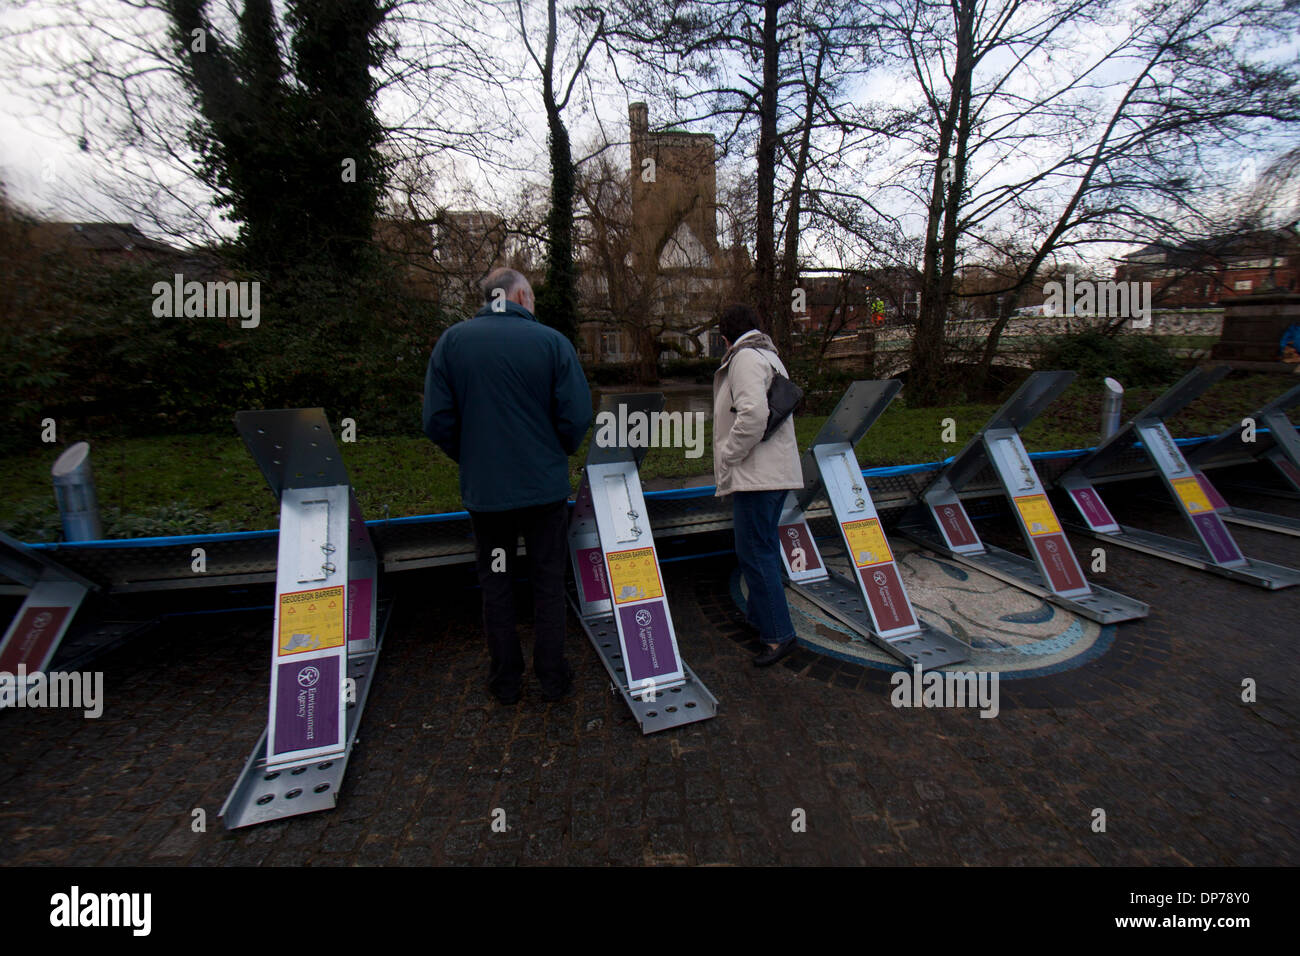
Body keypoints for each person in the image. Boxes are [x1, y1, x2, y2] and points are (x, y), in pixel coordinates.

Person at [423, 268, 592, 704]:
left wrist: (476, 457)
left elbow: (436, 421)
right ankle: (553, 678)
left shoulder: (452, 343)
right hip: (543, 494)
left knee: (496, 582)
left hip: (489, 498)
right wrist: (555, 452)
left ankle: (505, 681)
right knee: (548, 581)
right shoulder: (552, 343)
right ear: (520, 295)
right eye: (532, 297)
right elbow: (575, 417)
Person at [712, 303, 804, 666]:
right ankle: (759, 618)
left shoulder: (745, 359)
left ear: (724, 338)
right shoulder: (769, 356)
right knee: (760, 548)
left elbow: (753, 416)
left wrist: (728, 455)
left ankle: (779, 634)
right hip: (772, 473)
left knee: (755, 552)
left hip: (757, 477)